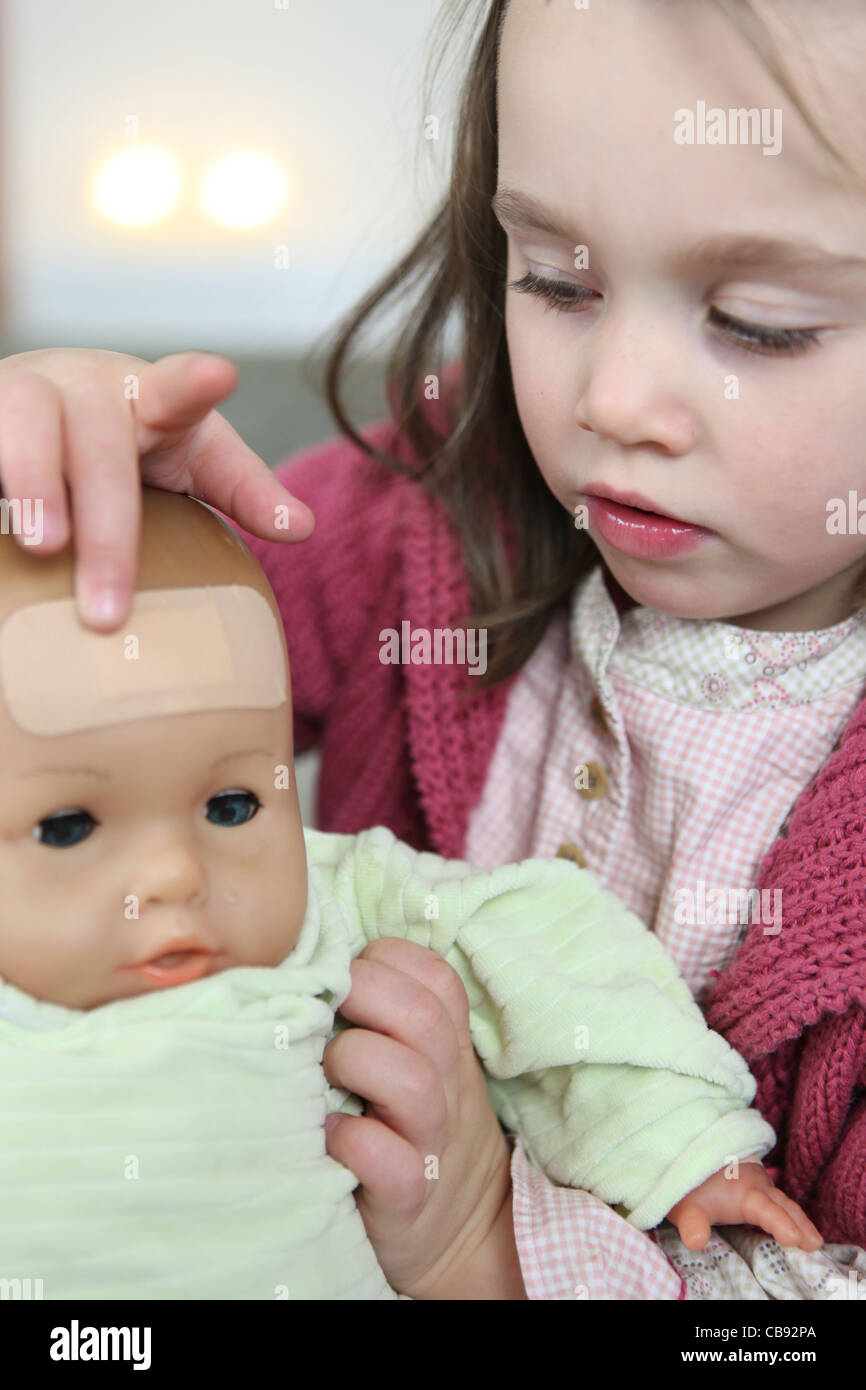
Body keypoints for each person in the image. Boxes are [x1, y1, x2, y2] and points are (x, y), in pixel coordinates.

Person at [1, 0, 865, 1298]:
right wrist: (61, 515)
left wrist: (481, 1251)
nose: (610, 400)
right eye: (556, 280)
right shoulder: (428, 511)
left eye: (757, 320)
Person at [0, 487, 822, 1300]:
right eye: (68, 826)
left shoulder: (332, 896)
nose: (177, 873)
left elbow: (544, 944)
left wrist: (677, 1142)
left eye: (232, 806)